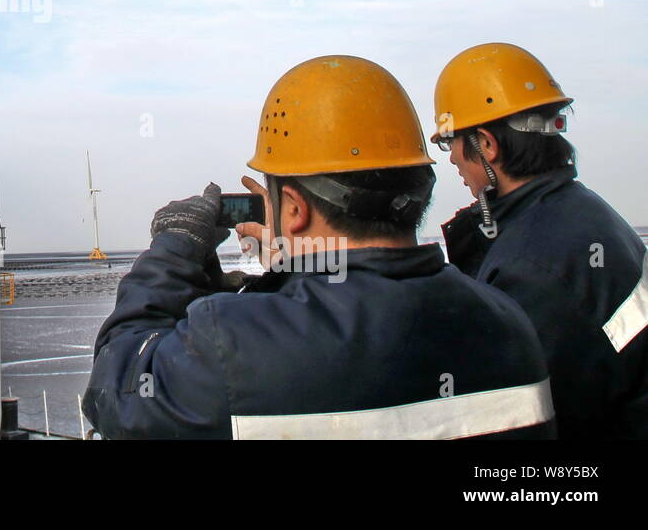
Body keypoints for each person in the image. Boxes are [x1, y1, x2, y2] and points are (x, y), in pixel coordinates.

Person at [83, 55, 555, 439]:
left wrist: (174, 250)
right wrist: (283, 276)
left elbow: (116, 389)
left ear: (292, 207)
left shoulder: (229, 342)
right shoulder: (507, 320)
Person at [433, 42, 648, 438]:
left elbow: (526, 422)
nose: (450, 160)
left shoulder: (533, 269)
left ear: (487, 145)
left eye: (450, 143)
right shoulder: (582, 211)